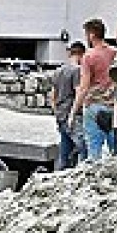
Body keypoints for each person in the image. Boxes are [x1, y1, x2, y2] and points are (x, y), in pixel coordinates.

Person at [73, 19, 117, 160]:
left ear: (91, 35)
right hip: (113, 106)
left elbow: (84, 86)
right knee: (115, 149)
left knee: (94, 150)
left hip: (94, 104)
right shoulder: (115, 53)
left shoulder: (89, 56)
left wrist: (74, 111)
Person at [50, 41, 86, 169]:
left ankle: (60, 174)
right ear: (82, 55)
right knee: (83, 147)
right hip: (73, 115)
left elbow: (52, 95)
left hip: (60, 115)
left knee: (64, 149)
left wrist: (56, 112)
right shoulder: (77, 70)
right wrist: (73, 114)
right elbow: (78, 93)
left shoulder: (58, 70)